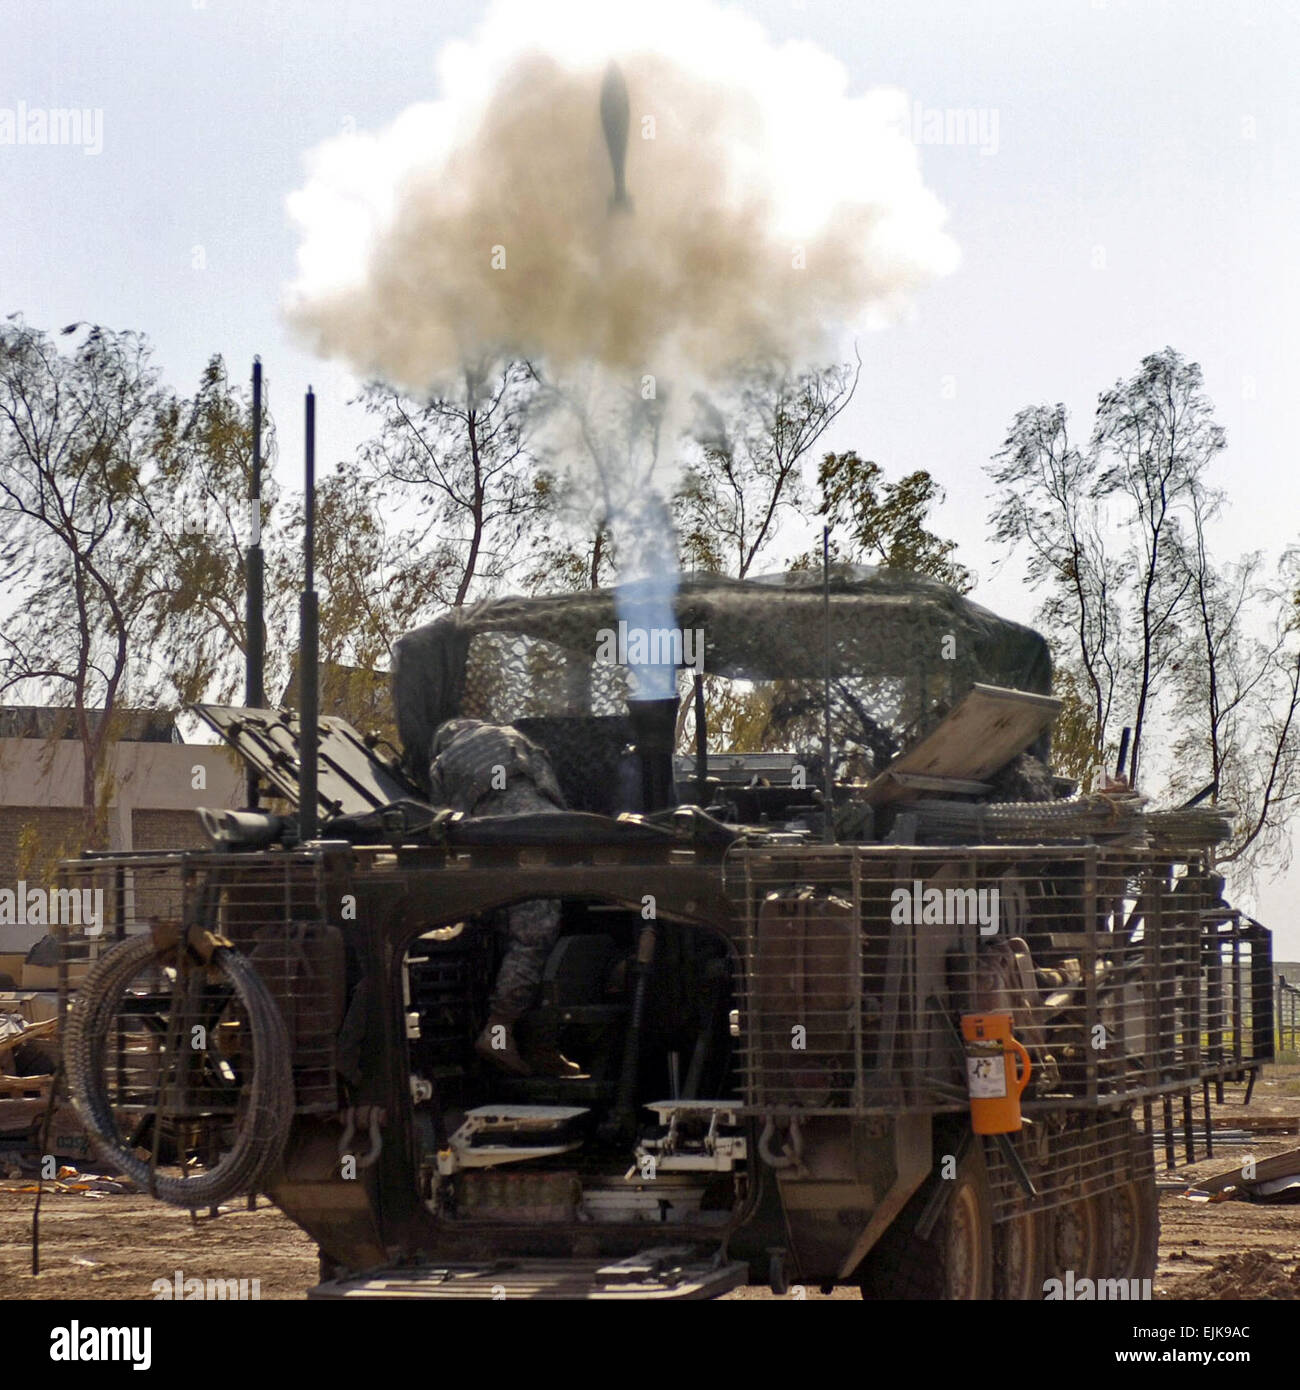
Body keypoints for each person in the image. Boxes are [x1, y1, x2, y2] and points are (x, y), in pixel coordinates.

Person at [427, 718, 579, 1077]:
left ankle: (527, 1040)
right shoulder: (512, 738)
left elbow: (441, 822)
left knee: (519, 941)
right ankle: (504, 1032)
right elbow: (549, 786)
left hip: (495, 851)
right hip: (546, 837)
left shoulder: (443, 762)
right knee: (536, 939)